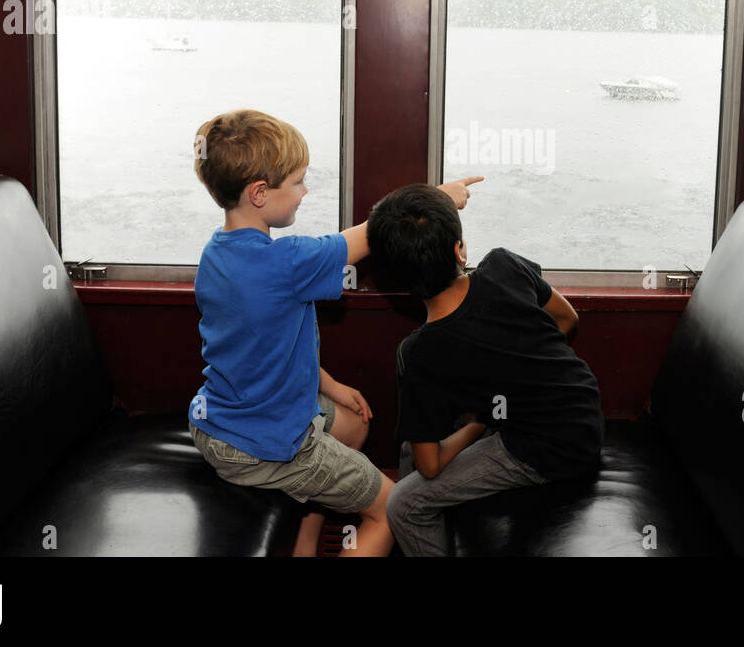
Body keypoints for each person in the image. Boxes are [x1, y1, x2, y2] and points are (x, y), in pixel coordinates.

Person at [185, 108, 478, 556]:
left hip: (220, 426)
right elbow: (378, 232)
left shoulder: (216, 254)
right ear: (260, 193)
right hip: (267, 446)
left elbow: (263, 352)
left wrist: (332, 386)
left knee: (353, 421)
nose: (304, 192)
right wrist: (438, 198)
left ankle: (304, 546)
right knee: (396, 509)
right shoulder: (287, 263)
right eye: (298, 181)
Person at [367, 183, 604, 557]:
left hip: (549, 450)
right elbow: (566, 317)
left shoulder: (421, 353)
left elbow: (431, 467)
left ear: (397, 279)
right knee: (413, 449)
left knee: (405, 504)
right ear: (460, 249)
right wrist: (521, 369)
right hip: (583, 410)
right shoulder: (504, 265)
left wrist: (479, 423)